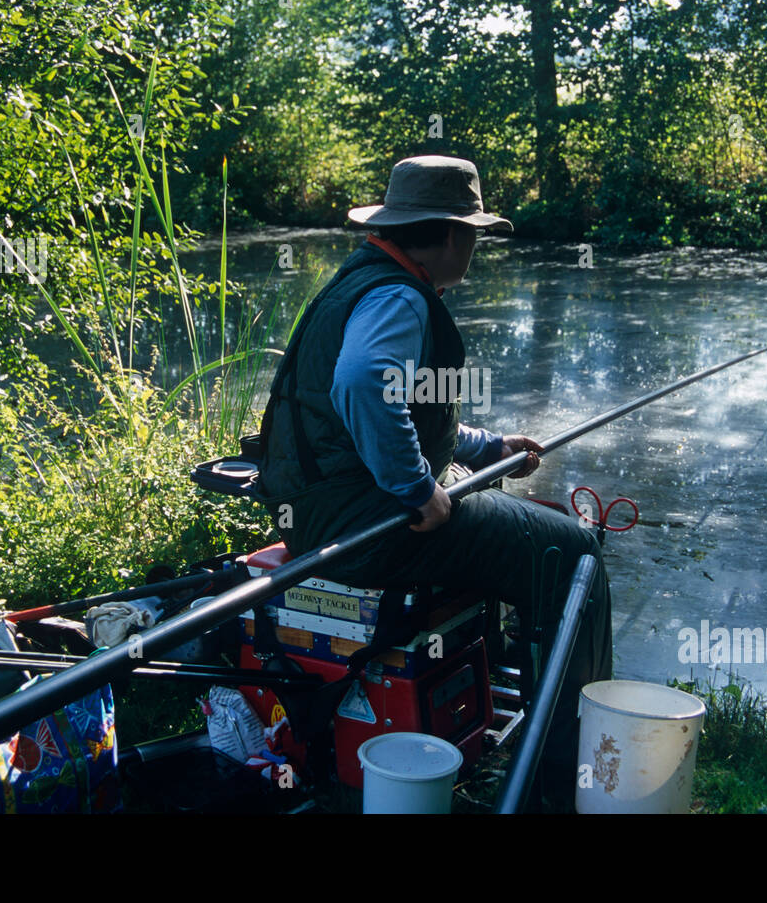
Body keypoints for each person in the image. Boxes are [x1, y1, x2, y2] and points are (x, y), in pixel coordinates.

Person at [255, 155, 612, 810]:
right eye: (472, 231)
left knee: (506, 515)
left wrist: (483, 448)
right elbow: (362, 383)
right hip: (365, 526)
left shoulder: (370, 277)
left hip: (322, 510)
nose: (475, 245)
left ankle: (490, 705)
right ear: (451, 233)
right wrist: (419, 491)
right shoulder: (398, 295)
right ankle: (562, 779)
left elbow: (403, 405)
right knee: (573, 554)